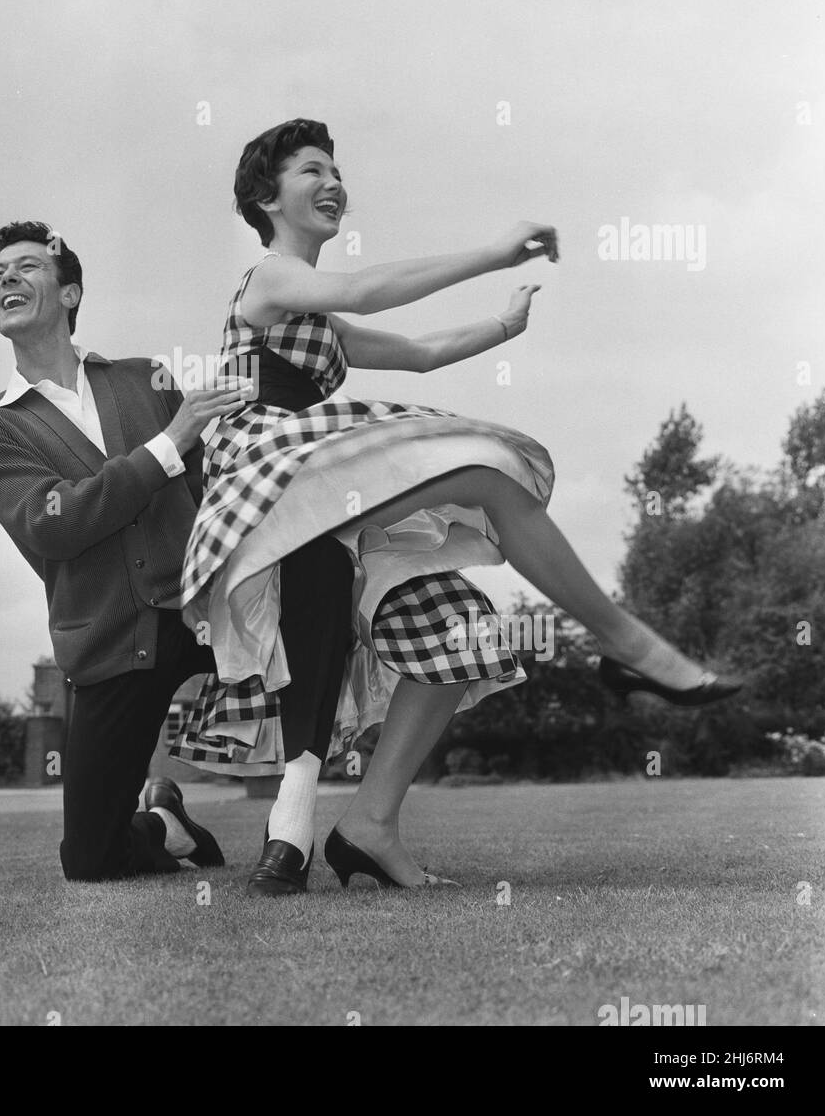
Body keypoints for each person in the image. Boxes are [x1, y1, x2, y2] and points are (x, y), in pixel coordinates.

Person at [171, 119, 741, 894]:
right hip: (269, 471)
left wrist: (501, 325)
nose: (334, 182)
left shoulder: (321, 325)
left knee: (457, 626)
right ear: (266, 198)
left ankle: (367, 827)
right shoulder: (267, 279)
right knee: (484, 466)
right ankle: (633, 647)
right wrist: (492, 251)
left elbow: (420, 352)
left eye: (337, 169)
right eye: (312, 170)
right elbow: (369, 287)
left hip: (320, 486)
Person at [0, 220, 244, 881]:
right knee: (91, 860)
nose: (6, 279)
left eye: (26, 267)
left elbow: (213, 492)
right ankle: (163, 821)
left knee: (319, 613)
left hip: (203, 613)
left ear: (71, 292)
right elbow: (54, 524)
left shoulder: (148, 378)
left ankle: (331, 825)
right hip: (111, 639)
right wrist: (170, 443)